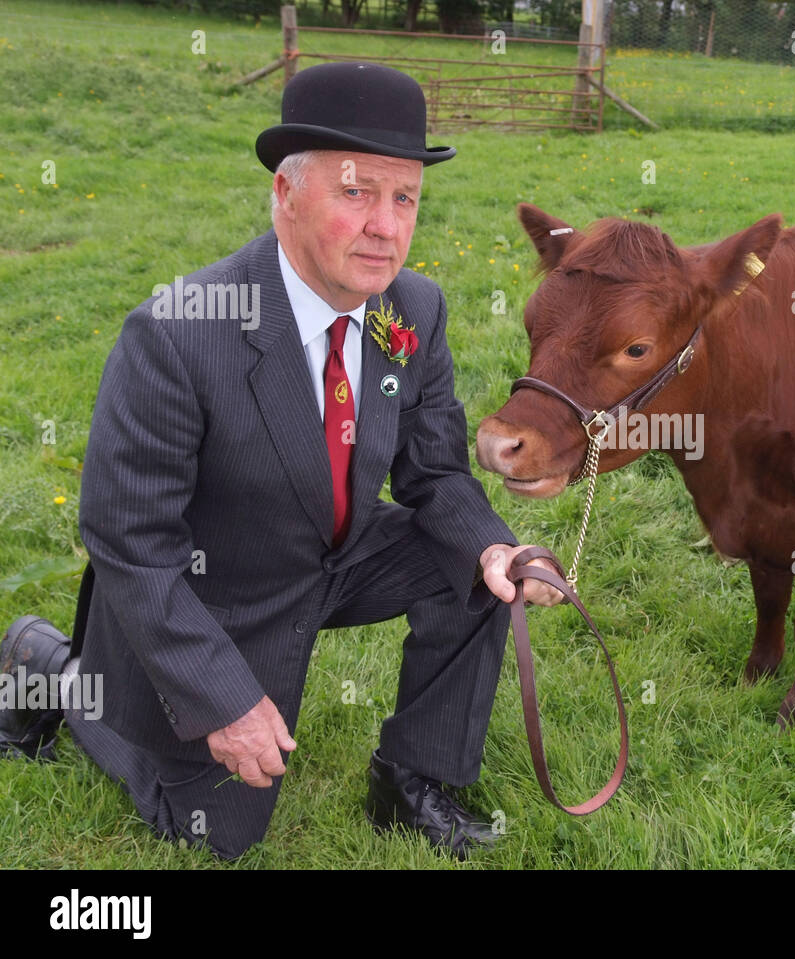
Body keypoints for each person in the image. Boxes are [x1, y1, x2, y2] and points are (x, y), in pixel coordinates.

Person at [0, 60, 565, 861]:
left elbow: (434, 475)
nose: (387, 225)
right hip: (214, 584)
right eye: (355, 191)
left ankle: (412, 778)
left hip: (335, 549)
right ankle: (52, 666)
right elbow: (130, 541)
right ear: (285, 193)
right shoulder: (177, 333)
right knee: (223, 832)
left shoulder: (414, 310)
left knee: (474, 568)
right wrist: (224, 698)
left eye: (404, 197)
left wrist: (494, 547)